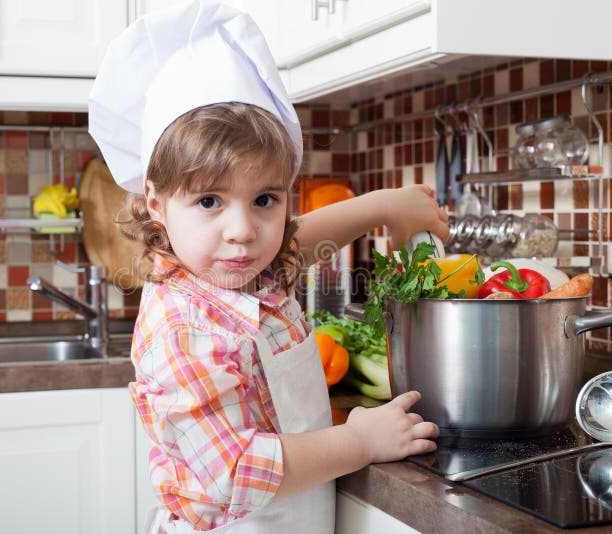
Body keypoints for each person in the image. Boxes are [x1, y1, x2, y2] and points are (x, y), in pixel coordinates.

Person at [88, 1, 448, 532]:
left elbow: (300, 241)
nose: (243, 230)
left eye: (264, 199)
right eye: (210, 201)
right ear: (158, 204)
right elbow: (237, 473)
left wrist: (384, 205)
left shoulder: (240, 273)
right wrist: (360, 441)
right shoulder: (184, 328)